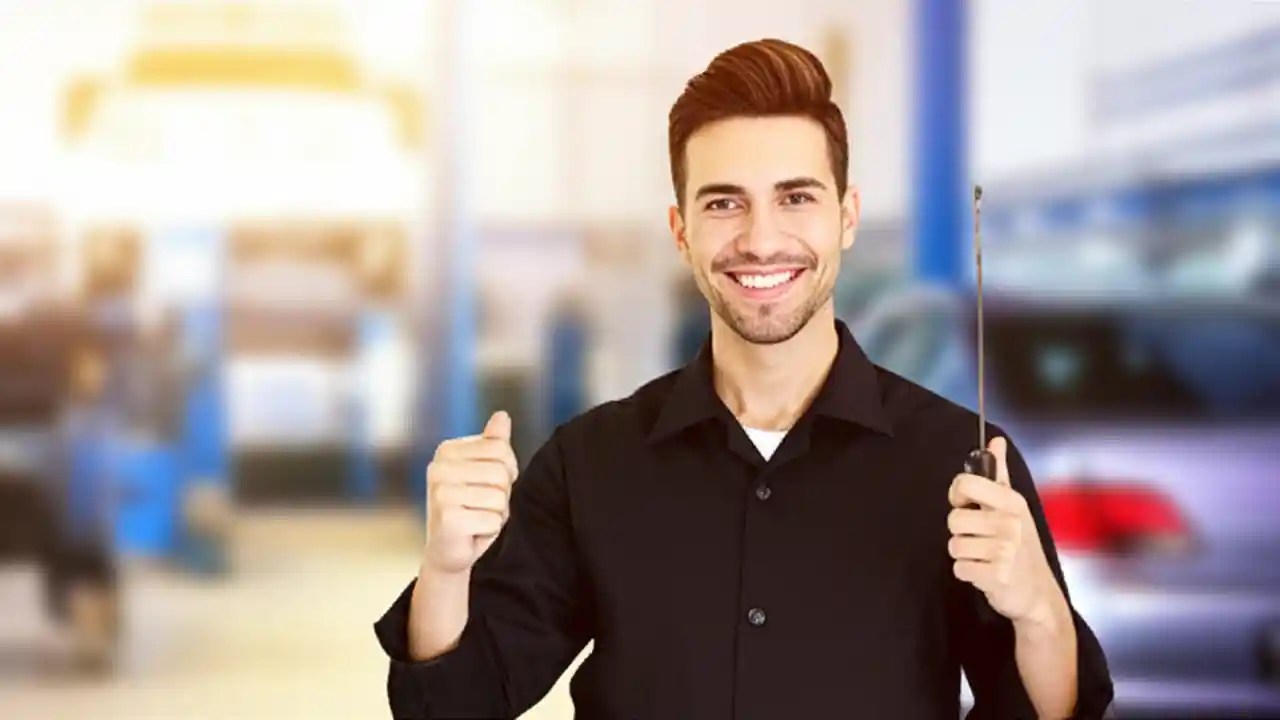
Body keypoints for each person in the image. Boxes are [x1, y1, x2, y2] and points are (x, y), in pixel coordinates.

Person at [374, 38, 1113, 719]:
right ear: (681, 229)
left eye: (796, 197)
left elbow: (1051, 709)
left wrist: (1040, 611)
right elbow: (456, 705)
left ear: (847, 217)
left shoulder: (959, 463)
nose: (761, 239)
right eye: (724, 202)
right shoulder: (590, 465)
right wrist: (445, 569)